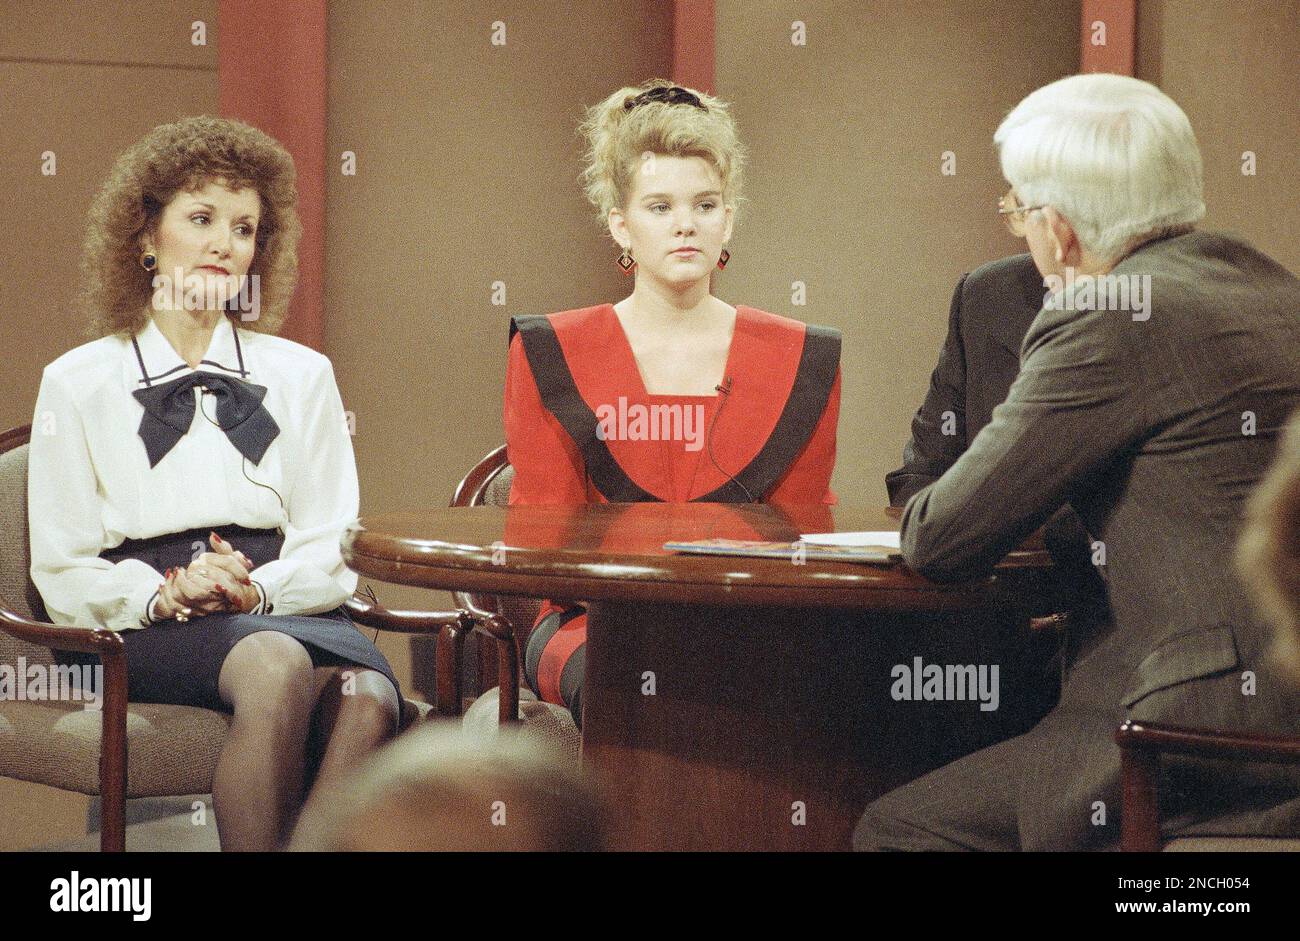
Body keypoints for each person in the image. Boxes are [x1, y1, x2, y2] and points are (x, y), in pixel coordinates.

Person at [855, 74, 1300, 851]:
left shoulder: (1107, 311)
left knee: (897, 829)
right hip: (1278, 699)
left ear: (1057, 230)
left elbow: (940, 536)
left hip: (1193, 734)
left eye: (1020, 211)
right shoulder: (1274, 289)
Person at [28, 116, 402, 851]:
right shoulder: (76, 382)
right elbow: (60, 562)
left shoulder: (303, 374)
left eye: (243, 228)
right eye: (201, 218)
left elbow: (334, 536)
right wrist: (166, 592)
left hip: (280, 595)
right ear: (145, 235)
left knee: (370, 696)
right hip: (138, 618)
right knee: (274, 661)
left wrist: (257, 591)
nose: (224, 244)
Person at [502, 79, 841, 724]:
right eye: (659, 207)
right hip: (589, 621)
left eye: (705, 204)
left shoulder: (800, 357)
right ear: (619, 225)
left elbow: (803, 538)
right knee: (637, 686)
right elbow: (538, 540)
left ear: (728, 220)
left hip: (748, 621)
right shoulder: (552, 349)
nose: (686, 223)